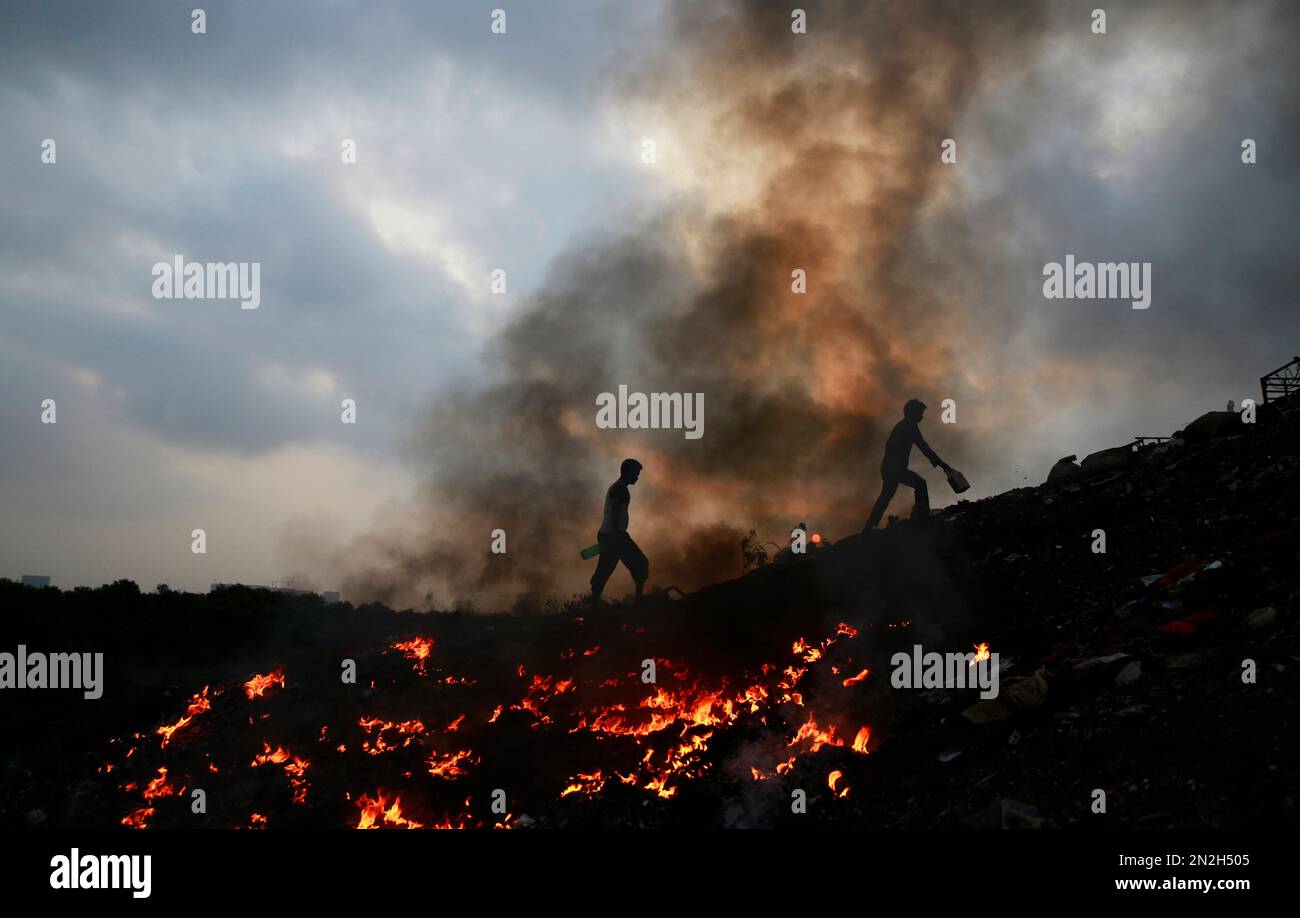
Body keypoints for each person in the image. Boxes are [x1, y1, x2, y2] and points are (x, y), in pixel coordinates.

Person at [863, 399, 952, 531]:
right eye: (920, 413)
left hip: (890, 468)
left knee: (886, 496)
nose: (922, 416)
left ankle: (870, 526)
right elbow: (923, 447)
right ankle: (923, 518)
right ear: (913, 412)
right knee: (920, 484)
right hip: (895, 468)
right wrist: (942, 464)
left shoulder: (902, 425)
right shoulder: (909, 426)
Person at [590, 458, 648, 606]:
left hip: (610, 536)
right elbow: (615, 512)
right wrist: (617, 538)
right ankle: (638, 604)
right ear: (627, 472)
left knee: (604, 571)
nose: (637, 477)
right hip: (614, 536)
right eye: (636, 473)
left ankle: (593, 606)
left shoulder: (620, 488)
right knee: (641, 564)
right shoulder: (619, 489)